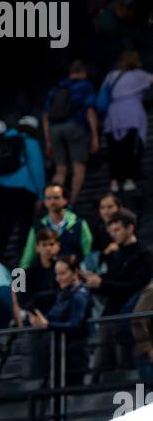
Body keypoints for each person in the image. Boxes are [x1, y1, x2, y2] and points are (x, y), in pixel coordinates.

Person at [83, 207, 153, 378]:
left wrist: (102, 283)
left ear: (130, 228)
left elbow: (136, 286)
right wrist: (96, 281)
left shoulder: (145, 254)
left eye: (117, 230)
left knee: (126, 366)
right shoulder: (115, 254)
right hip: (110, 315)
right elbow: (113, 279)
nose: (113, 234)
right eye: (111, 231)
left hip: (130, 316)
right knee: (99, 366)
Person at [0, 117, 45, 264]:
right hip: (24, 191)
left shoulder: (1, 142)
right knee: (23, 231)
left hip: (0, 191)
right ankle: (20, 266)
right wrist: (41, 195)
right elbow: (37, 168)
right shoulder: (30, 142)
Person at [42, 59, 99, 207]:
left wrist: (48, 140)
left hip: (55, 129)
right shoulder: (85, 86)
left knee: (60, 168)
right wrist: (95, 136)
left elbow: (46, 116)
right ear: (83, 73)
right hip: (76, 126)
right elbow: (89, 110)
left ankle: (53, 201)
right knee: (78, 166)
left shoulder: (56, 88)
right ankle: (71, 202)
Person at [98, 50, 153, 193]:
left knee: (114, 150)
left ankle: (114, 181)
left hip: (113, 115)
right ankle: (129, 179)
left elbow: (103, 93)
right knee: (131, 149)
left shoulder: (111, 75)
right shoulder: (140, 75)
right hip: (132, 114)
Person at [18, 182, 92, 270]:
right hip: (45, 278)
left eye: (56, 197)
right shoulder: (37, 228)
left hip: (73, 277)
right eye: (48, 198)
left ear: (65, 200)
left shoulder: (79, 224)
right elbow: (27, 260)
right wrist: (19, 282)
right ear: (44, 202)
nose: (52, 201)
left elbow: (88, 254)